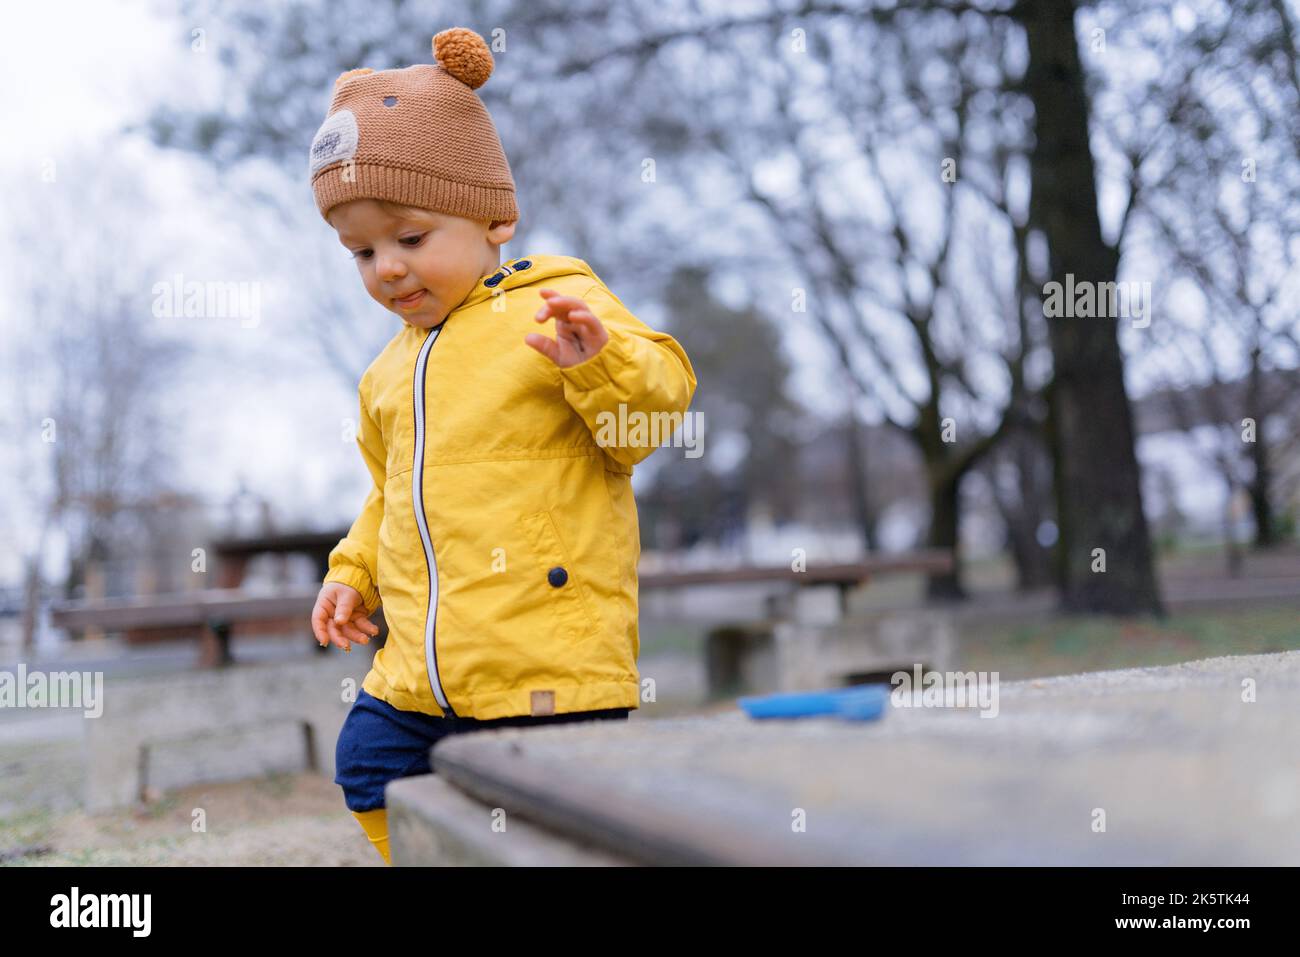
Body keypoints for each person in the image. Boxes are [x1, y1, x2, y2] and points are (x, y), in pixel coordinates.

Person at [305, 27, 698, 865]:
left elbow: (655, 410)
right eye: (362, 252)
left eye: (410, 238)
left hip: (543, 656)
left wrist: (599, 363)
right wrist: (352, 572)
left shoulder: (556, 302)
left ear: (495, 217)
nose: (387, 269)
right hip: (421, 667)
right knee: (366, 762)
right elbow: (389, 494)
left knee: (555, 817)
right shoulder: (387, 372)